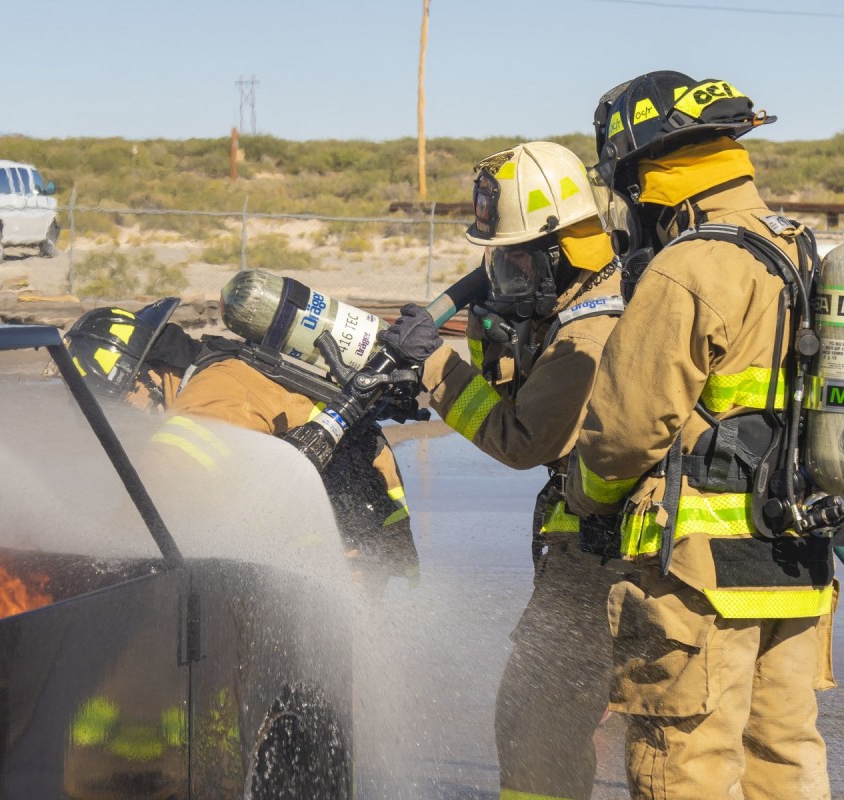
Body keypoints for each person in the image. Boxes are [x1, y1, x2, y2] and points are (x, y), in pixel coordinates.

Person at [565, 71, 836, 799]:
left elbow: (624, 431)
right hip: (798, 569)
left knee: (683, 763)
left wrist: (589, 500)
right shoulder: (804, 253)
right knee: (783, 760)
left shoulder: (690, 266)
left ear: (647, 176)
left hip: (699, 581)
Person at [378, 140, 625, 800]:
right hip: (597, 551)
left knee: (535, 726)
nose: (507, 277)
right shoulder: (588, 299)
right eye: (500, 262)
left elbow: (524, 439)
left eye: (518, 260)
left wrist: (437, 365)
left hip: (600, 557)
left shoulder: (589, 331)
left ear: (562, 247)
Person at [64, 297, 420, 591]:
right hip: (347, 522)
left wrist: (93, 560)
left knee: (310, 663)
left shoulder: (210, 394)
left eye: (123, 400)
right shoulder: (214, 368)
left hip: (339, 537)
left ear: (146, 375)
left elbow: (163, 485)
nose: (127, 416)